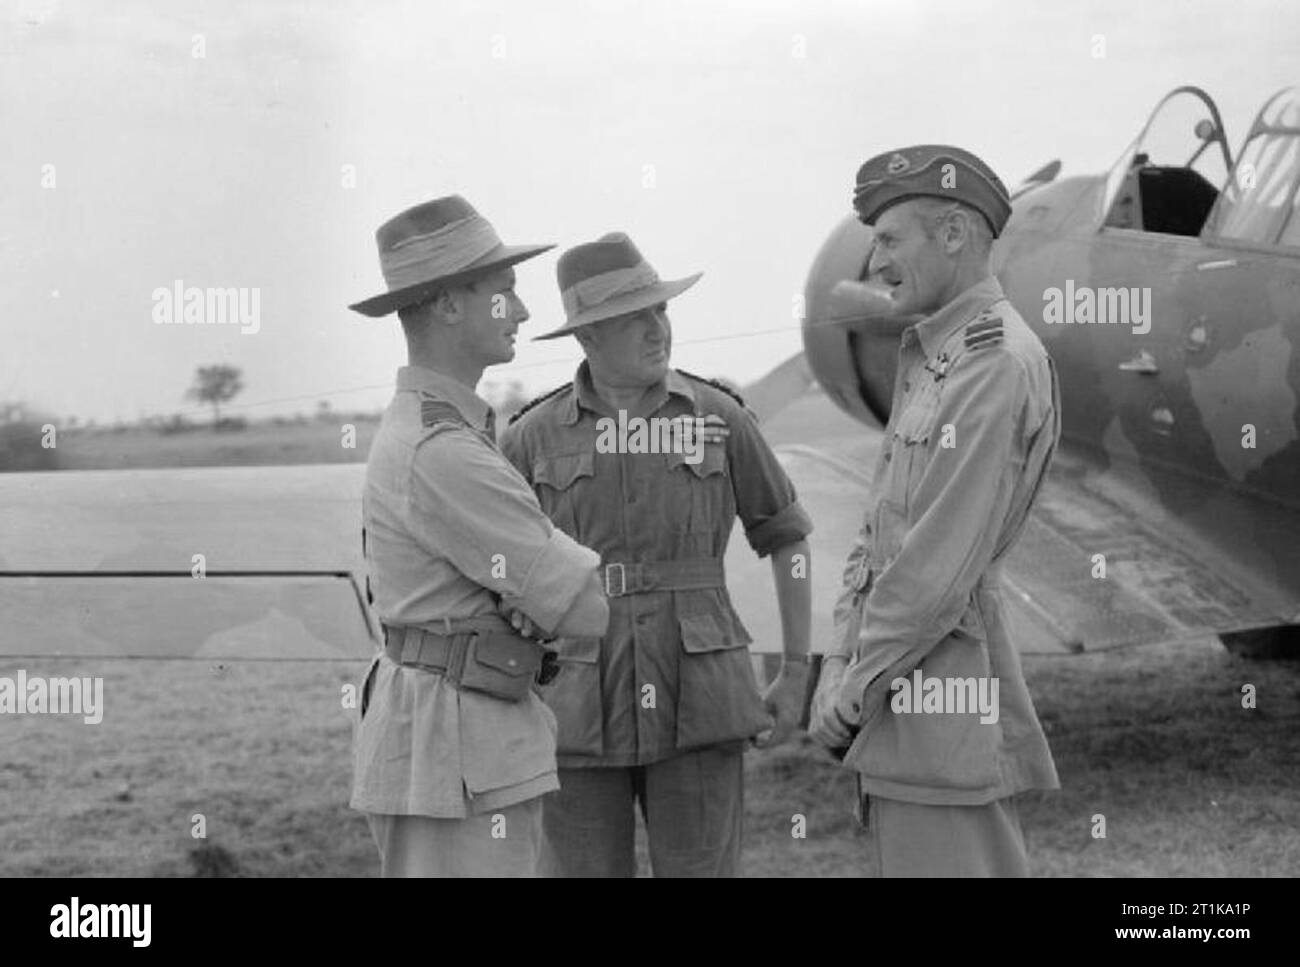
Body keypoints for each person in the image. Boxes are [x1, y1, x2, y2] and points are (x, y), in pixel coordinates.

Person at [499, 232, 813, 877]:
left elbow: (787, 538)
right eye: (632, 317)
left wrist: (799, 668)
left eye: (660, 310)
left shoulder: (719, 415)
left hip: (699, 692)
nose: (656, 328)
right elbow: (496, 568)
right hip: (579, 701)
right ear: (587, 338)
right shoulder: (532, 436)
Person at [809, 146, 1060, 876]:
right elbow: (876, 534)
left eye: (889, 240)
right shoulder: (937, 356)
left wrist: (852, 687)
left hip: (940, 700)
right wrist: (837, 664)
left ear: (952, 234)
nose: (876, 263)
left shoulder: (992, 363)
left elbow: (934, 566)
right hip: (906, 698)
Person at [346, 195, 609, 877]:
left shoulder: (445, 432)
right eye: (504, 291)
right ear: (448, 305)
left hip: (458, 747)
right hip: (454, 757)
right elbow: (585, 608)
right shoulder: (443, 450)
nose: (521, 311)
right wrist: (533, 599)